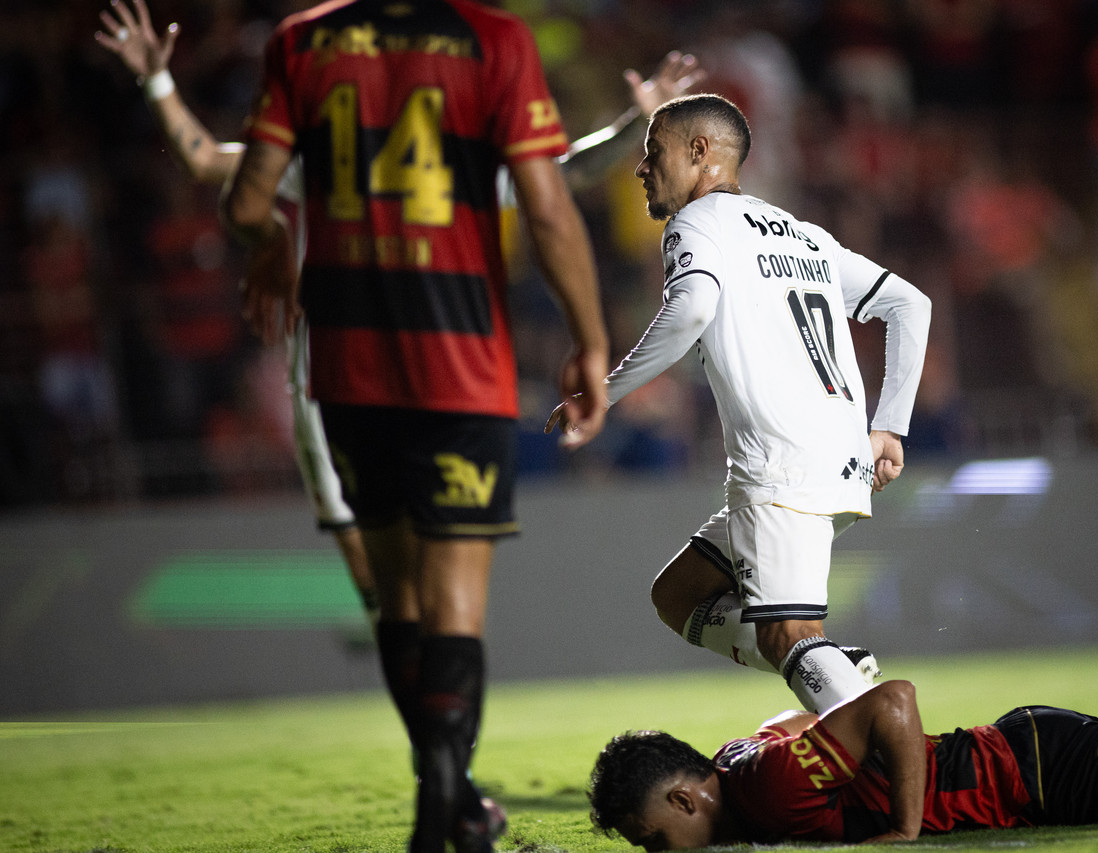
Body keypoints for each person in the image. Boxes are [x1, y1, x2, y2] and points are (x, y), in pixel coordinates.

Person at [94, 0, 703, 631]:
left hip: (384, 371)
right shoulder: (350, 159)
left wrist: (637, 124)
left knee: (404, 555)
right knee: (390, 558)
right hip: (386, 368)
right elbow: (567, 175)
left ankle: (408, 634)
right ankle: (403, 628)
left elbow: (205, 161)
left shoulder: (381, 161)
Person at [216, 2, 614, 852]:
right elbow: (546, 207)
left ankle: (453, 795)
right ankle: (445, 799)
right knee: (456, 604)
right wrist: (589, 339)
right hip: (459, 357)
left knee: (395, 594)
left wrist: (269, 247)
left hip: (352, 362)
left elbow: (248, 198)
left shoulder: (301, 40)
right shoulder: (493, 38)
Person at [546, 94, 931, 717]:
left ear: (700, 154)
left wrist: (603, 391)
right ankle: (834, 668)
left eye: (653, 153)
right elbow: (910, 305)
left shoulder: (695, 225)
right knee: (679, 595)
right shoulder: (803, 234)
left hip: (780, 466)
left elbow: (692, 309)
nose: (641, 169)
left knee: (788, 634)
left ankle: (885, 759)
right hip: (839, 461)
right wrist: (888, 427)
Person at [588, 679, 1098, 849]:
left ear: (684, 799)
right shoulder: (739, 763)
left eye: (652, 840)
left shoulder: (766, 788)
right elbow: (793, 723)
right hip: (1031, 752)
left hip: (1041, 772)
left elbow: (893, 699)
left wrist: (907, 826)